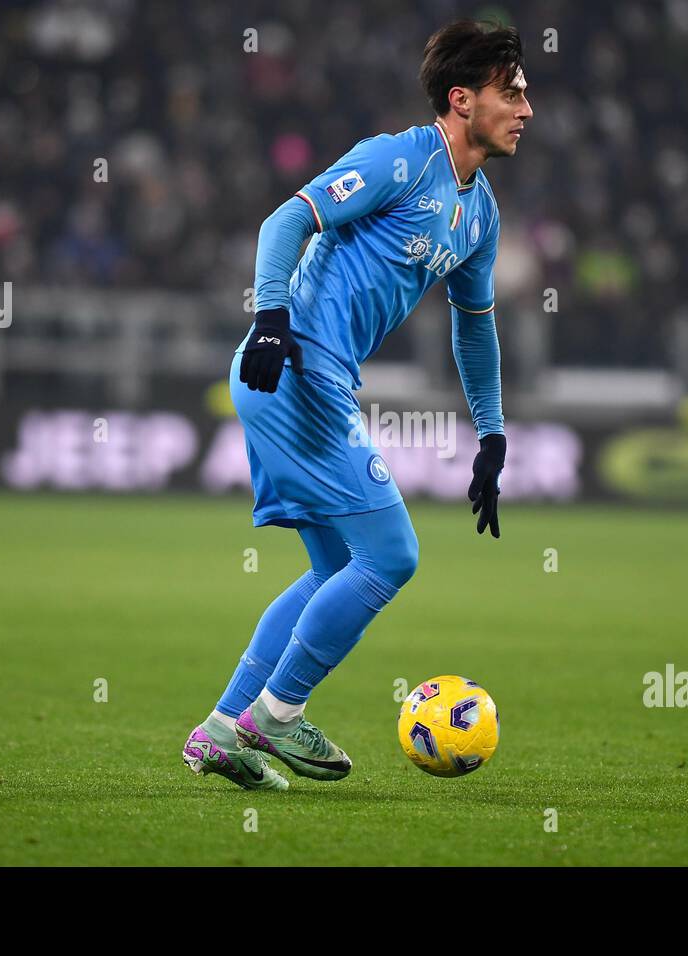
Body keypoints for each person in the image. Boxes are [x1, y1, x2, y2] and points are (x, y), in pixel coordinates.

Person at [183, 19, 532, 789]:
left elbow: (475, 331)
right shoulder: (398, 161)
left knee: (337, 565)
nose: (526, 109)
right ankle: (275, 717)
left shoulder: (480, 215)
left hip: (311, 377)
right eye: (512, 92)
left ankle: (221, 729)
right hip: (293, 369)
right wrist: (272, 318)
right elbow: (287, 221)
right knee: (392, 555)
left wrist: (493, 432)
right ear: (461, 97)